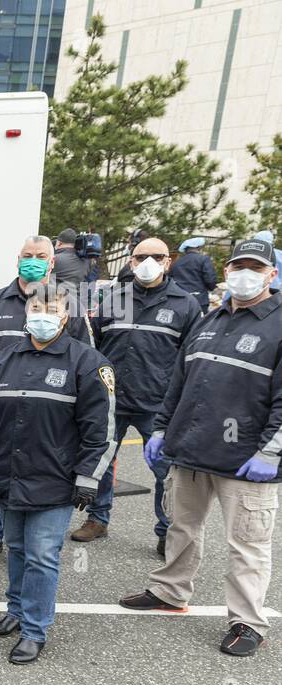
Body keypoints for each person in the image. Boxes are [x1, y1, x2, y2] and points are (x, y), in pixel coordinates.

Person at [120, 237, 282, 658]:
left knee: (247, 543)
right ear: (225, 272)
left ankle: (247, 621)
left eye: (254, 267)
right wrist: (160, 429)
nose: (243, 274)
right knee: (182, 527)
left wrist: (272, 452)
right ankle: (170, 590)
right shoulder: (210, 319)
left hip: (247, 461)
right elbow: (180, 380)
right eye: (237, 266)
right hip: (191, 450)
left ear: (272, 275)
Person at [0, 283, 116, 664]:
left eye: (52, 308)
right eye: (36, 307)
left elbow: (101, 429)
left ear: (65, 316)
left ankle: (34, 629)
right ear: (26, 313)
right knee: (16, 548)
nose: (42, 314)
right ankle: (15, 611)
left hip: (55, 479)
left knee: (43, 555)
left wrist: (88, 477)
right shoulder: (5, 359)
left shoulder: (88, 362)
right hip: (8, 474)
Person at [0, 235, 94, 560]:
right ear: (17, 259)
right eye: (27, 255)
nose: (32, 260)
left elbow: (87, 359)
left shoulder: (70, 305)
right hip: (0, 407)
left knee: (41, 471)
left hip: (51, 412)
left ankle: (35, 536)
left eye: (40, 256)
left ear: (51, 263)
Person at [72, 236, 200, 552]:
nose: (148, 262)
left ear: (168, 261)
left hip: (158, 404)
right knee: (100, 461)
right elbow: (93, 346)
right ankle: (97, 519)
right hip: (112, 401)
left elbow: (192, 358)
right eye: (141, 256)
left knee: (163, 471)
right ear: (131, 261)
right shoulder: (115, 299)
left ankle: (165, 531)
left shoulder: (185, 304)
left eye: (156, 256)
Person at [168, 237, 218, 314]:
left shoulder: (177, 262)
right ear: (198, 247)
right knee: (200, 324)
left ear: (185, 250)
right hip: (199, 300)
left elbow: (169, 280)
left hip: (179, 299)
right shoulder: (203, 259)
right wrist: (212, 288)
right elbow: (210, 279)